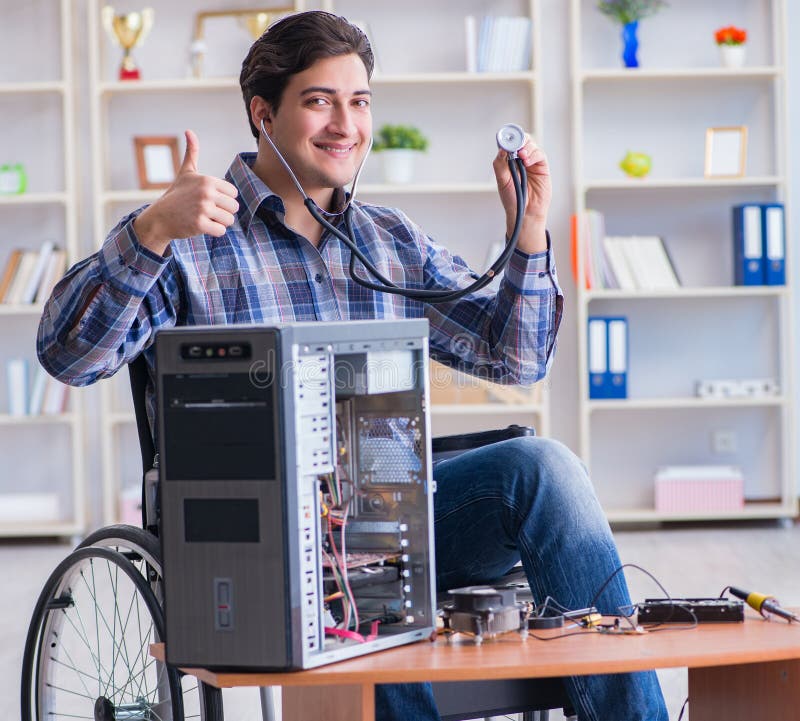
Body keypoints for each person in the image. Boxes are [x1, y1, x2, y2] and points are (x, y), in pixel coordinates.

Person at [37, 10, 667, 721]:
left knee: (544, 467)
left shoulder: (390, 241)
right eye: (319, 101)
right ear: (263, 114)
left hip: (391, 520)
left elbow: (517, 355)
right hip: (257, 543)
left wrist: (527, 231)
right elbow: (68, 355)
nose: (346, 123)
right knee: (376, 587)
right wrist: (149, 230)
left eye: (359, 101)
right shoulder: (191, 238)